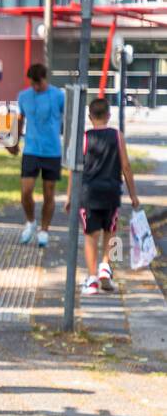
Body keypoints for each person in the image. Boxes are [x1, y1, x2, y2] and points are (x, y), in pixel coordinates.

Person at [64, 97, 140, 296]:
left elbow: (75, 169)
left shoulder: (84, 138)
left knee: (90, 236)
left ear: (90, 117)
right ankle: (105, 265)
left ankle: (92, 279)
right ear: (109, 115)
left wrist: (70, 196)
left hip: (88, 194)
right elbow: (126, 167)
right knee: (111, 231)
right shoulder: (117, 136)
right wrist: (133, 195)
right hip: (112, 193)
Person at [15, 63, 66, 247]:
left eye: (40, 83)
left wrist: (69, 145)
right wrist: (14, 142)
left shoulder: (58, 96)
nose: (36, 87)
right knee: (26, 192)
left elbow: (67, 121)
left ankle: (44, 230)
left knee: (49, 193)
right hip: (31, 150)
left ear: (46, 78)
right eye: (33, 83)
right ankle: (30, 222)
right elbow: (20, 120)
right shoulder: (24, 96)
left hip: (52, 151)